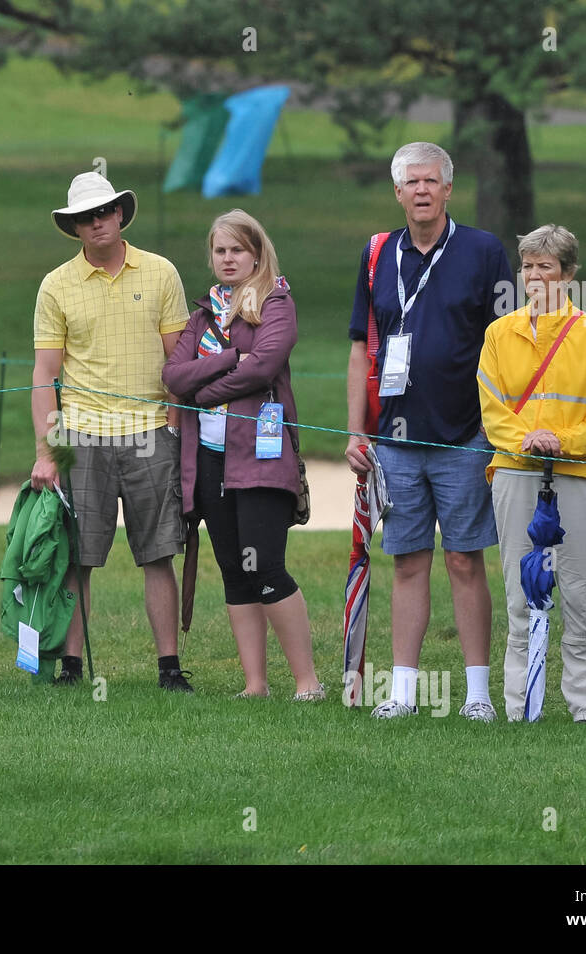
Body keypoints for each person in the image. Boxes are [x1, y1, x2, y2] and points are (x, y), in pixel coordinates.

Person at [344, 141, 514, 721]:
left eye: (431, 181)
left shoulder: (483, 251)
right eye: (410, 182)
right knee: (408, 560)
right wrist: (355, 431)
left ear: (448, 189)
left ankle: (476, 695)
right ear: (397, 193)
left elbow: (509, 344)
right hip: (393, 438)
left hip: (465, 435)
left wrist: (501, 428)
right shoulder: (376, 255)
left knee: (466, 560)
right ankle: (403, 691)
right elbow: (360, 349)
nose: (421, 191)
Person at [30, 172, 192, 691]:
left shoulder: (161, 272)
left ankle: (169, 668)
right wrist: (48, 451)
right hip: (81, 435)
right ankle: (72, 666)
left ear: (121, 214)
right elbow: (45, 374)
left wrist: (172, 425)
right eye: (85, 217)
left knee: (158, 554)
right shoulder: (56, 284)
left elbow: (179, 361)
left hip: (150, 431)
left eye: (104, 212)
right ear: (75, 227)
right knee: (79, 560)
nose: (96, 222)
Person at [163, 210, 324, 700]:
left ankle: (308, 684)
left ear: (257, 253)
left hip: (258, 455)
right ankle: (255, 685)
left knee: (266, 567)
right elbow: (173, 377)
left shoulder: (276, 302)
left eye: (238, 249)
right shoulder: (202, 314)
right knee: (234, 570)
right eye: (220, 250)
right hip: (208, 460)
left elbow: (266, 367)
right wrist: (233, 357)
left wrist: (207, 388)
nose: (228, 259)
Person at [477, 224, 586, 722]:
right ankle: (523, 708)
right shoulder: (499, 333)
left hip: (580, 474)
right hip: (516, 473)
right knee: (521, 594)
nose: (535, 275)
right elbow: (492, 409)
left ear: (568, 274)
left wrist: (563, 441)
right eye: (528, 265)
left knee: (582, 592)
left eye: (547, 266)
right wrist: (525, 440)